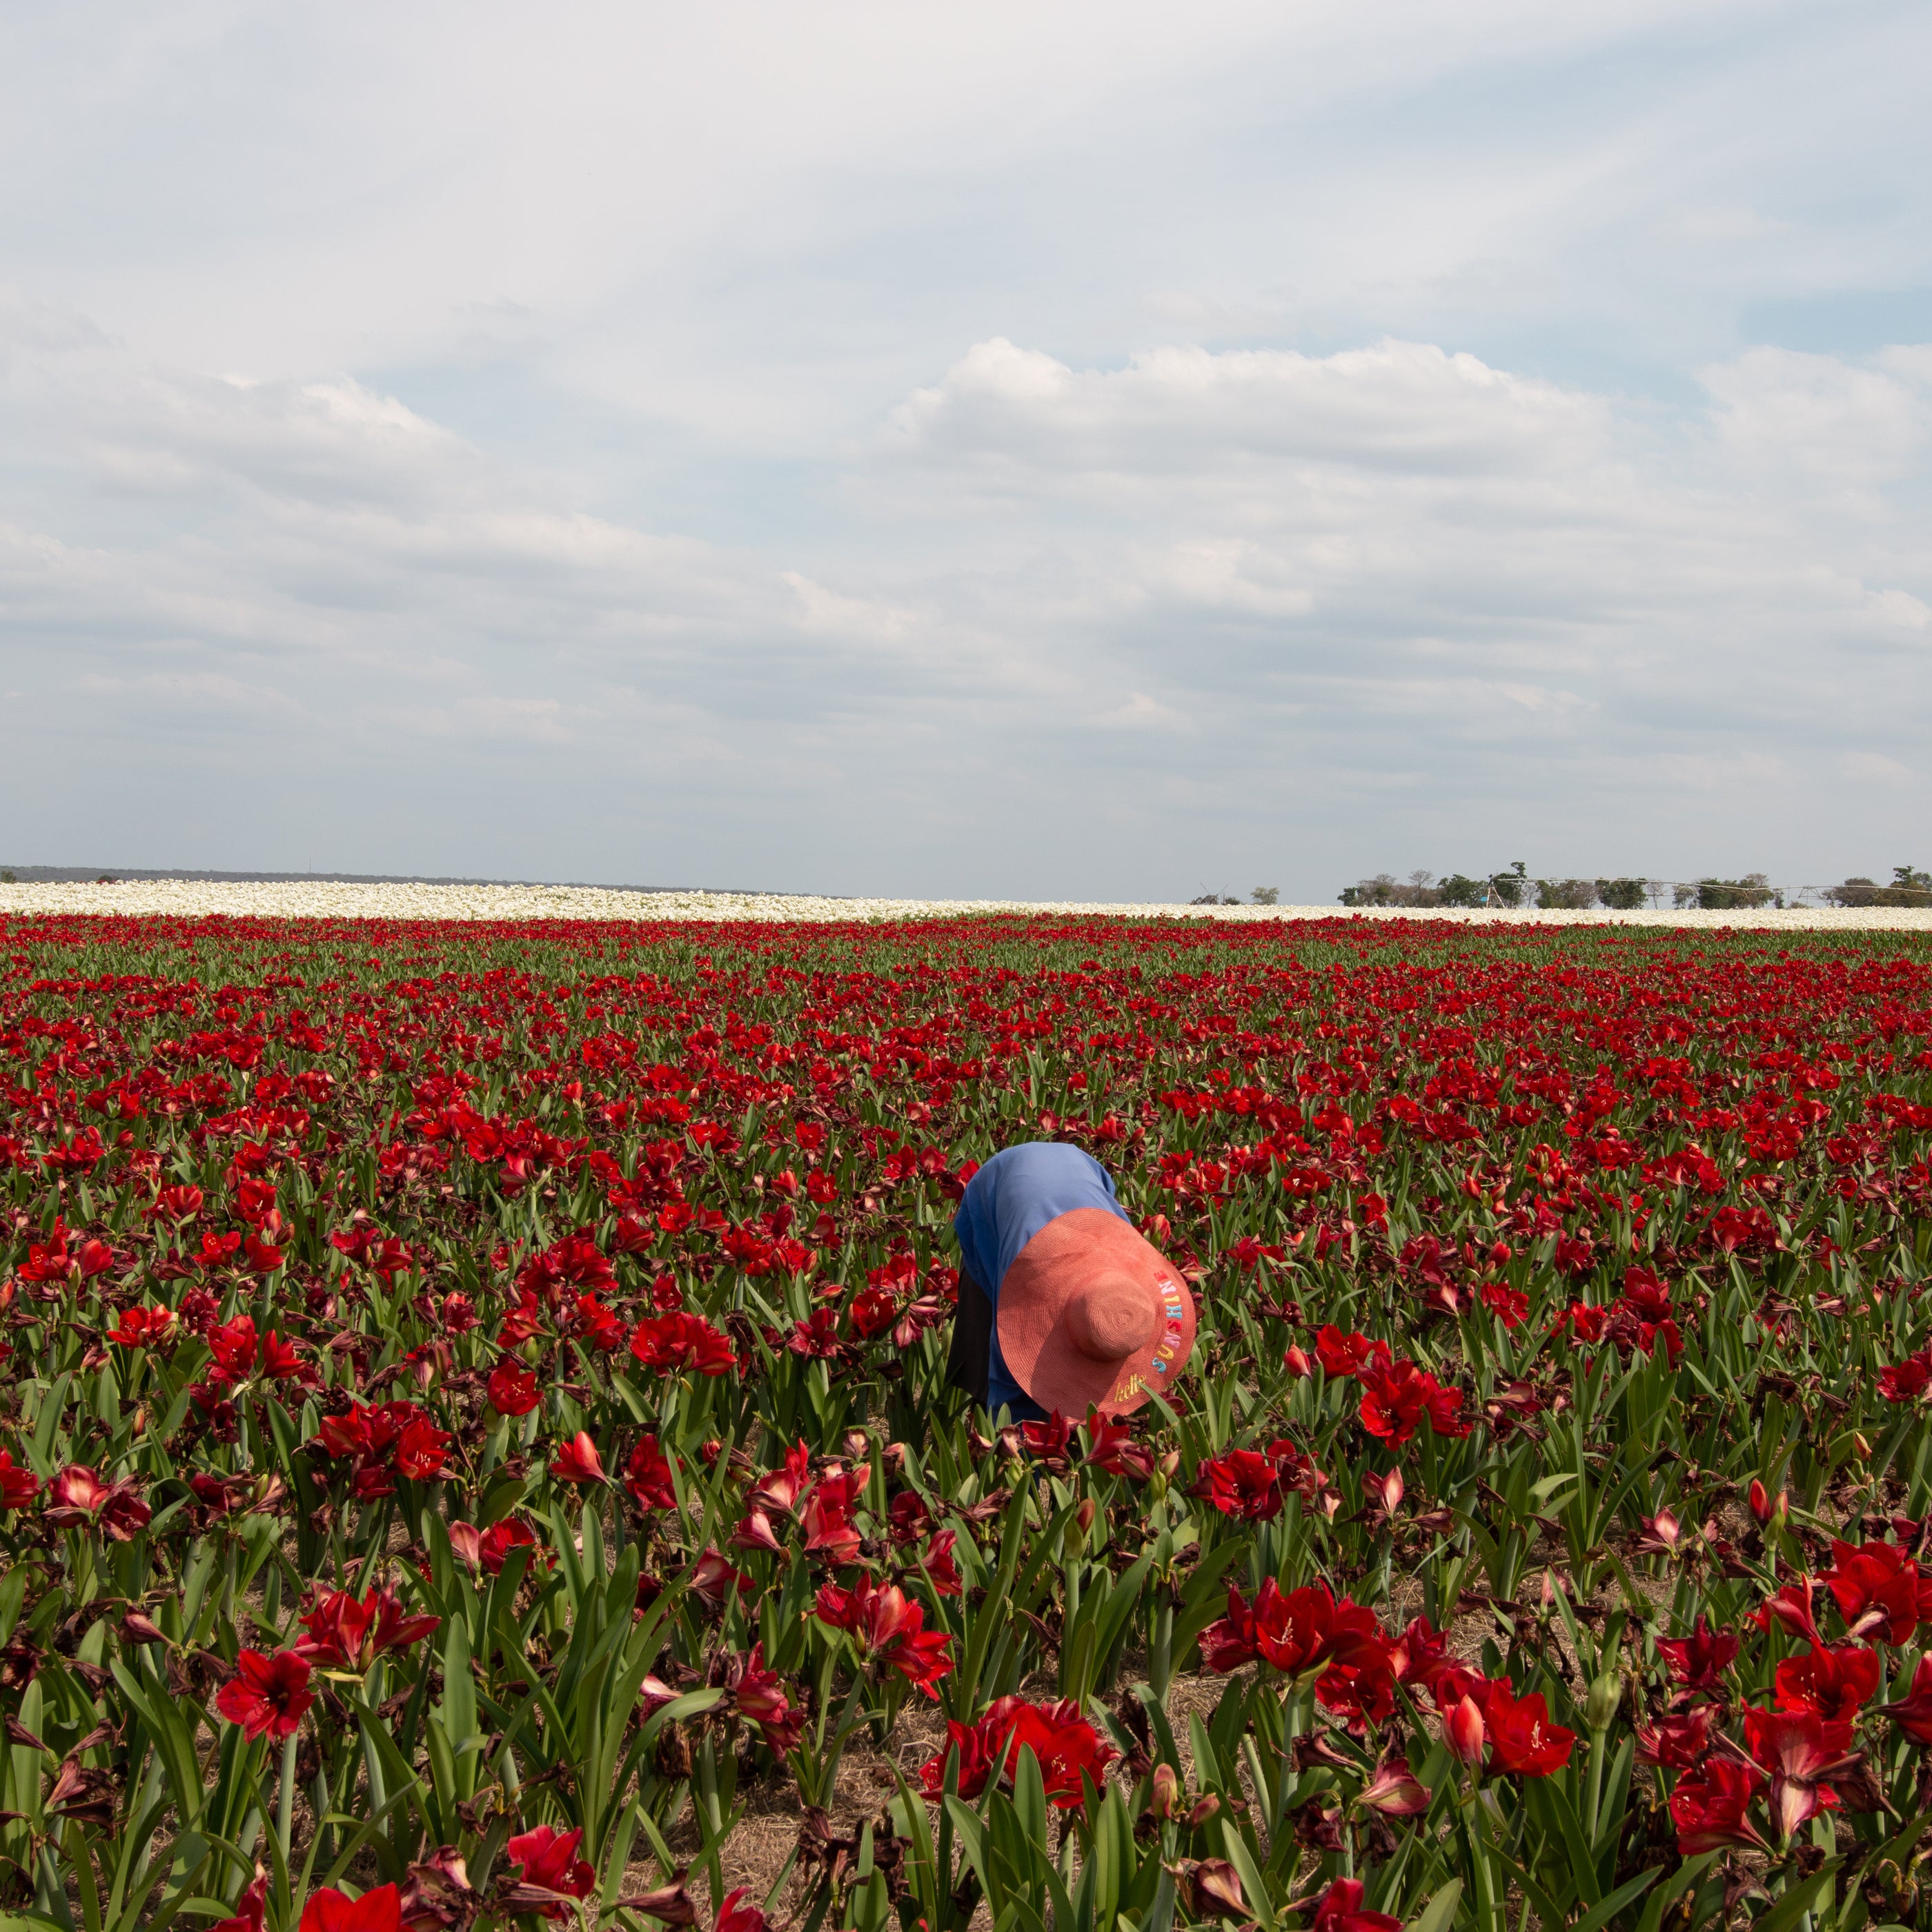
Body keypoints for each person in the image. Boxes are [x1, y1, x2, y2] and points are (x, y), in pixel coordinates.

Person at [946, 1141, 1196, 1421]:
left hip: (1081, 1166)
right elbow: (1007, 1386)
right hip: (998, 1188)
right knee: (991, 1314)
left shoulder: (1132, 1273)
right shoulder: (1023, 1271)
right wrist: (1010, 1444)